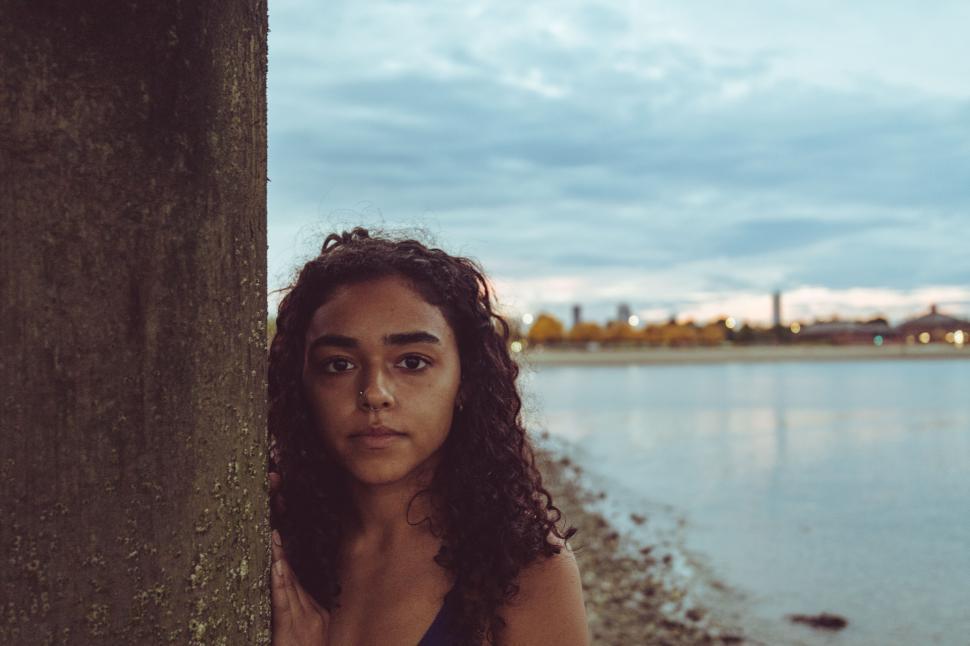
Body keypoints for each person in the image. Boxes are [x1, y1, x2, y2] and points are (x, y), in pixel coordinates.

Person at [267, 228, 588, 645]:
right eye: (339, 364)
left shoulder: (523, 568)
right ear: (301, 384)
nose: (375, 394)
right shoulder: (275, 540)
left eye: (412, 362)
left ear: (465, 380)